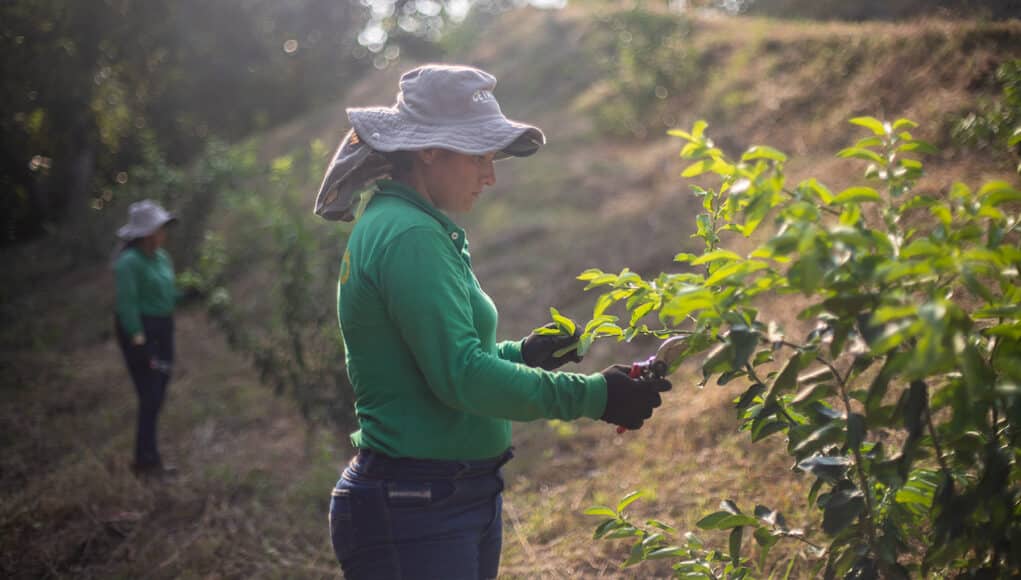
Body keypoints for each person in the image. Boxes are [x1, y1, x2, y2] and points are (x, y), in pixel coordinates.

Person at [314, 64, 672, 579]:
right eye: (479, 155)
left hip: (442, 498)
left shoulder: (414, 225)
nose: (491, 175)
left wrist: (521, 356)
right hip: (417, 508)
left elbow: (436, 367)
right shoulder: (408, 234)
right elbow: (462, 377)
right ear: (429, 150)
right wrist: (595, 395)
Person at [112, 199, 179, 478]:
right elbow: (127, 304)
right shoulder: (128, 263)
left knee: (157, 395)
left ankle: (149, 458)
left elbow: (167, 295)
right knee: (149, 397)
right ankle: (146, 461)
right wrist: (138, 341)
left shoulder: (162, 258)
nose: (163, 233)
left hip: (164, 329)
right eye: (159, 228)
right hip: (141, 333)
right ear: (146, 232)